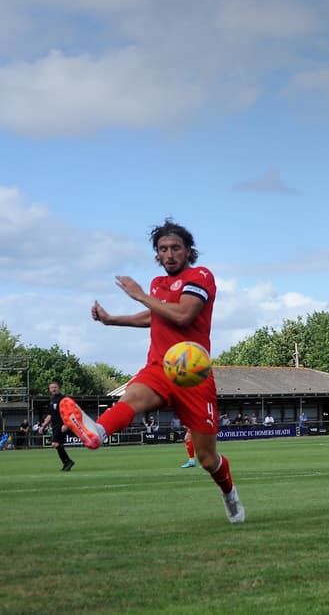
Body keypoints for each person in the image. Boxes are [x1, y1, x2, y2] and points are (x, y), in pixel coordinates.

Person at [58, 219, 244, 522]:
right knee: (131, 399)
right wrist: (111, 320)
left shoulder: (201, 276)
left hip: (194, 376)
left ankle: (229, 495)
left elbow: (183, 314)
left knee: (207, 458)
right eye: (162, 249)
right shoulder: (158, 285)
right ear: (157, 254)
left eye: (175, 248)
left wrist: (141, 294)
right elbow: (155, 316)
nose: (169, 254)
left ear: (188, 251)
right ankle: (97, 432)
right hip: (160, 366)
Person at [39, 381, 75, 471]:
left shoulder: (63, 399)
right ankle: (67, 462)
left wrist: (66, 424)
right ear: (49, 389)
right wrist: (43, 426)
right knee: (56, 444)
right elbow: (50, 415)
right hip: (55, 425)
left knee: (55, 444)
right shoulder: (52, 400)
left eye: (55, 387)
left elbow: (69, 413)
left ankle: (68, 461)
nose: (53, 389)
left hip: (61, 424)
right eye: (51, 388)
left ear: (58, 388)